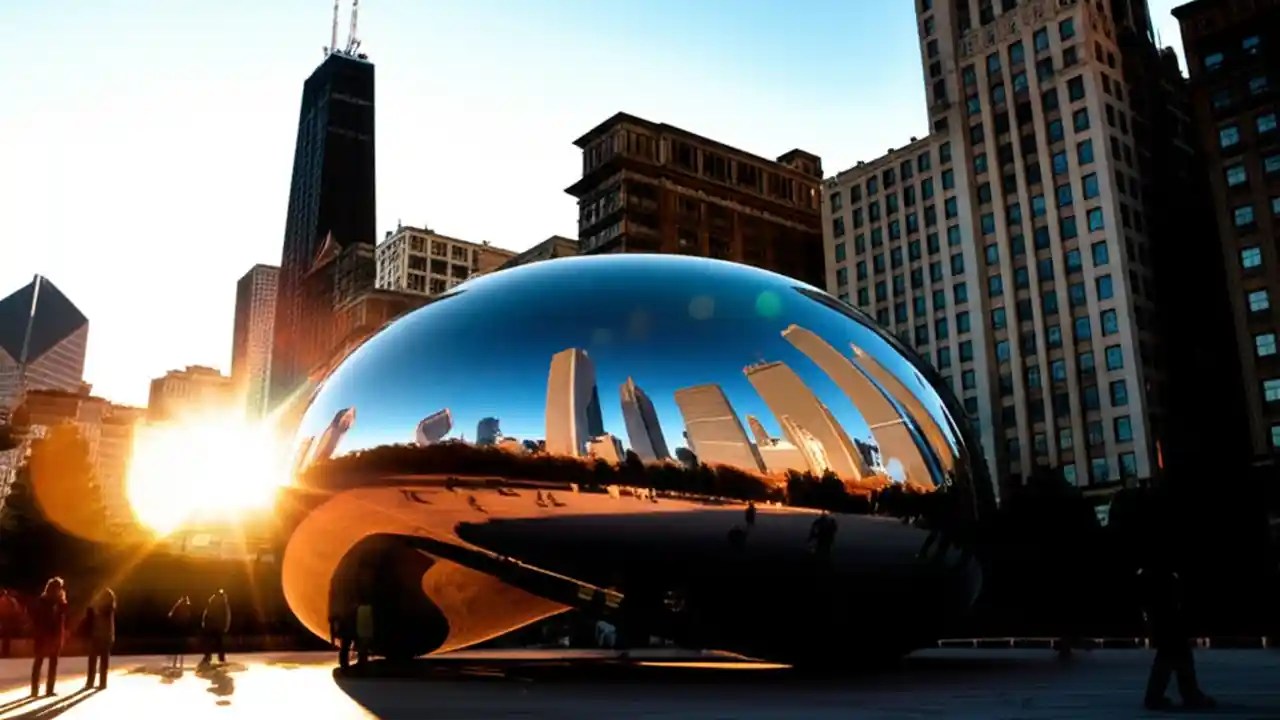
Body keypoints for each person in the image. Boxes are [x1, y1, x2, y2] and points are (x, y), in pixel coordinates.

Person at [1138, 563, 1216, 711]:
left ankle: (1177, 694)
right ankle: (1182, 694)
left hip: (1162, 602)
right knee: (1173, 650)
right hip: (1163, 603)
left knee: (1173, 651)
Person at [30, 577, 68, 697]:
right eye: (60, 588)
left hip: (44, 636)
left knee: (40, 663)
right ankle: (48, 689)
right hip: (50, 636)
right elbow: (56, 620)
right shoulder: (55, 602)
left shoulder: (44, 601)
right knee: (49, 663)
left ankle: (35, 690)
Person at [84, 589, 115, 690]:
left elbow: (94, 617)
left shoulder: (104, 609)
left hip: (99, 636)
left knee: (93, 661)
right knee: (103, 662)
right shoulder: (109, 608)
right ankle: (102, 683)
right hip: (105, 636)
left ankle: (91, 682)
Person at [199, 589, 231, 666]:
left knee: (214, 643)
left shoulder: (216, 602)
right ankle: (215, 657)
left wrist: (204, 623)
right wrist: (226, 625)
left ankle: (211, 657)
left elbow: (206, 613)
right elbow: (227, 616)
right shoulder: (217, 602)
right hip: (216, 626)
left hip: (215, 626)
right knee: (217, 643)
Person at [167, 595, 192, 670]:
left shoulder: (180, 606)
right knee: (181, 648)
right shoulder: (185, 606)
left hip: (179, 628)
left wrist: (178, 602)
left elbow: (170, 614)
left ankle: (176, 665)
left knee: (178, 648)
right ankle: (179, 665)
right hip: (182, 629)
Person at [0, 590, 21, 658]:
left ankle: (5, 652)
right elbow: (17, 609)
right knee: (6, 638)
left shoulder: (4, 600)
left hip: (5, 620)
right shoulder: (12, 600)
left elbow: (16, 609)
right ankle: (5, 652)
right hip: (7, 620)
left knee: (6, 637)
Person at [354, 601, 373, 667]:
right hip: (365, 632)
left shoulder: (360, 609)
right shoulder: (368, 608)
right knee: (364, 646)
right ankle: (363, 661)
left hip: (362, 632)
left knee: (362, 647)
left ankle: (362, 661)